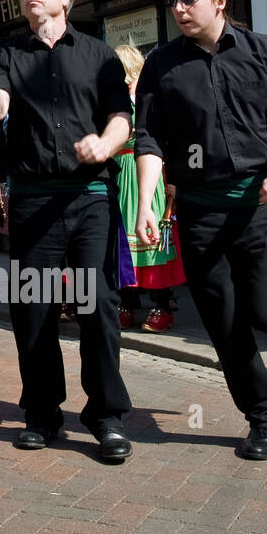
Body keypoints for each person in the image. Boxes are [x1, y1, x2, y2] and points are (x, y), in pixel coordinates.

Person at [134, 0, 267, 461]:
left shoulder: (266, 52)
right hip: (200, 213)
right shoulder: (162, 65)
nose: (179, 9)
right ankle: (265, 415)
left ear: (219, 0)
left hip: (258, 207)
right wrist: (147, 204)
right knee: (224, 324)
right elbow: (149, 140)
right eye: (173, 1)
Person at [0, 0, 134, 463]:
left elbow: (122, 118)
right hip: (34, 197)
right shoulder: (9, 54)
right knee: (32, 307)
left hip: (90, 195)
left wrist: (104, 144)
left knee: (97, 304)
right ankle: (42, 412)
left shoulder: (100, 54)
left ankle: (106, 416)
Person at [113, 44, 184, 333]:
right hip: (119, 175)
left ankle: (162, 303)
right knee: (122, 241)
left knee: (152, 237)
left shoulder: (145, 99)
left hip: (144, 173)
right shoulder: (113, 101)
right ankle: (126, 301)